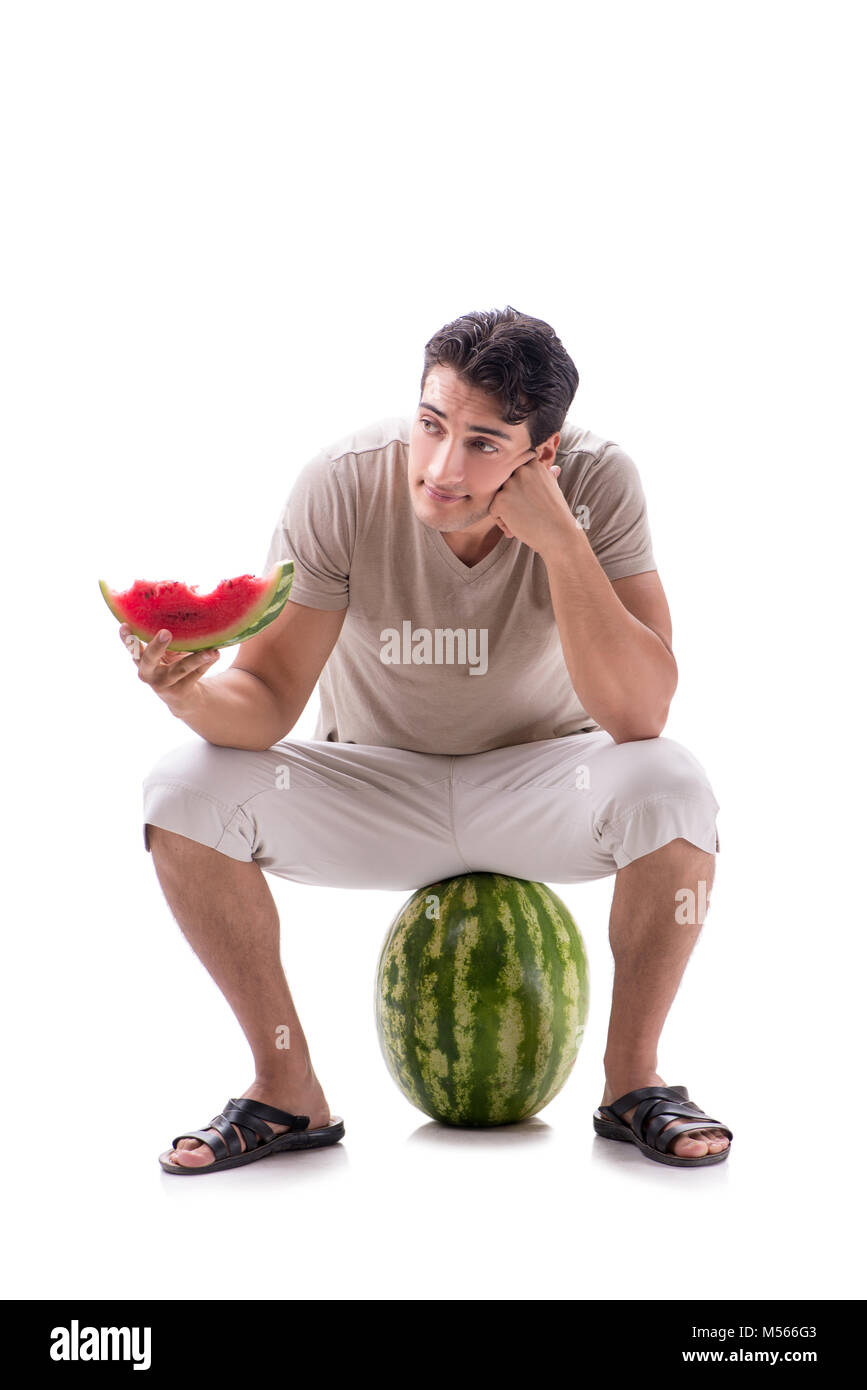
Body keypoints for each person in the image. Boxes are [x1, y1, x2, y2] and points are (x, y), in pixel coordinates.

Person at [127, 306, 732, 1174]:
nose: (442, 469)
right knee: (182, 787)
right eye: (431, 424)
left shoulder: (601, 482)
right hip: (371, 786)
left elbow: (640, 716)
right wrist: (190, 692)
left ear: (543, 455)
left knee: (672, 782)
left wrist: (560, 540)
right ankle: (284, 1085)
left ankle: (631, 1082)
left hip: (543, 787)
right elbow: (263, 699)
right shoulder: (342, 482)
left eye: (484, 444)